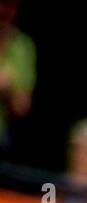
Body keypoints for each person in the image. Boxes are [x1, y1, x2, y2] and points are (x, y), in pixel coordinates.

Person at [0, 0, 34, 149]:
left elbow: (22, 107)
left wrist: (8, 91)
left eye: (9, 5)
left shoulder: (22, 47)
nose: (3, 10)